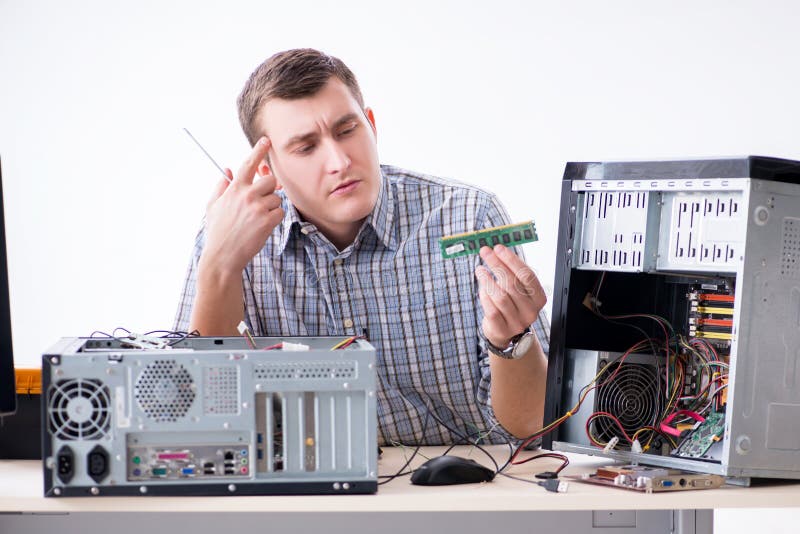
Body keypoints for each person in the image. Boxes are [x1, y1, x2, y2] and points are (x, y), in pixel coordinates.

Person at [175, 48, 549, 446]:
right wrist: (219, 267)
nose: (339, 161)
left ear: (371, 125)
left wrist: (510, 343)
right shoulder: (227, 237)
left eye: (347, 130)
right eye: (306, 147)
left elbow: (535, 424)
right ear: (268, 170)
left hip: (473, 486)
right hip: (311, 499)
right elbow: (197, 427)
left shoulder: (470, 216)